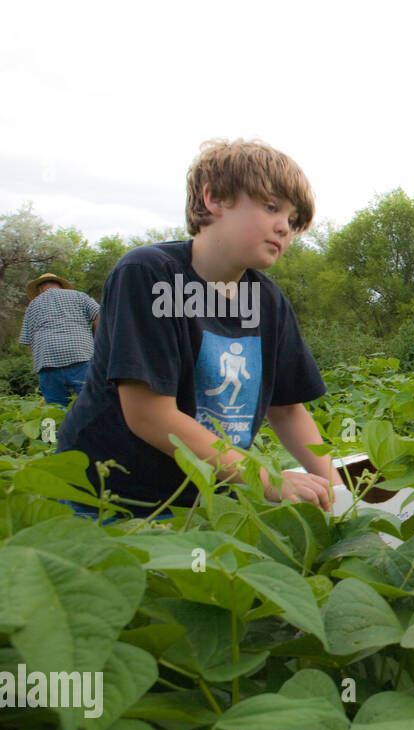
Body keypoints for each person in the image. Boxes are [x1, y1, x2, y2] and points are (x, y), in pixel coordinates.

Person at [57, 138, 342, 520]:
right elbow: (148, 414)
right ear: (214, 199)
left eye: (292, 220)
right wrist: (266, 478)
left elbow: (288, 410)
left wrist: (341, 497)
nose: (283, 228)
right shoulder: (148, 274)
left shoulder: (268, 302)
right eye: (271, 207)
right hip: (110, 498)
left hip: (200, 501)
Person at [19, 272, 100, 406]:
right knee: (93, 404)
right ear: (60, 285)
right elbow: (100, 314)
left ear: (40, 289)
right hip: (81, 355)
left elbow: (29, 341)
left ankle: (57, 426)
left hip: (48, 362)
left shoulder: (32, 306)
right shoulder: (78, 296)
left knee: (55, 409)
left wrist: (39, 361)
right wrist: (95, 338)